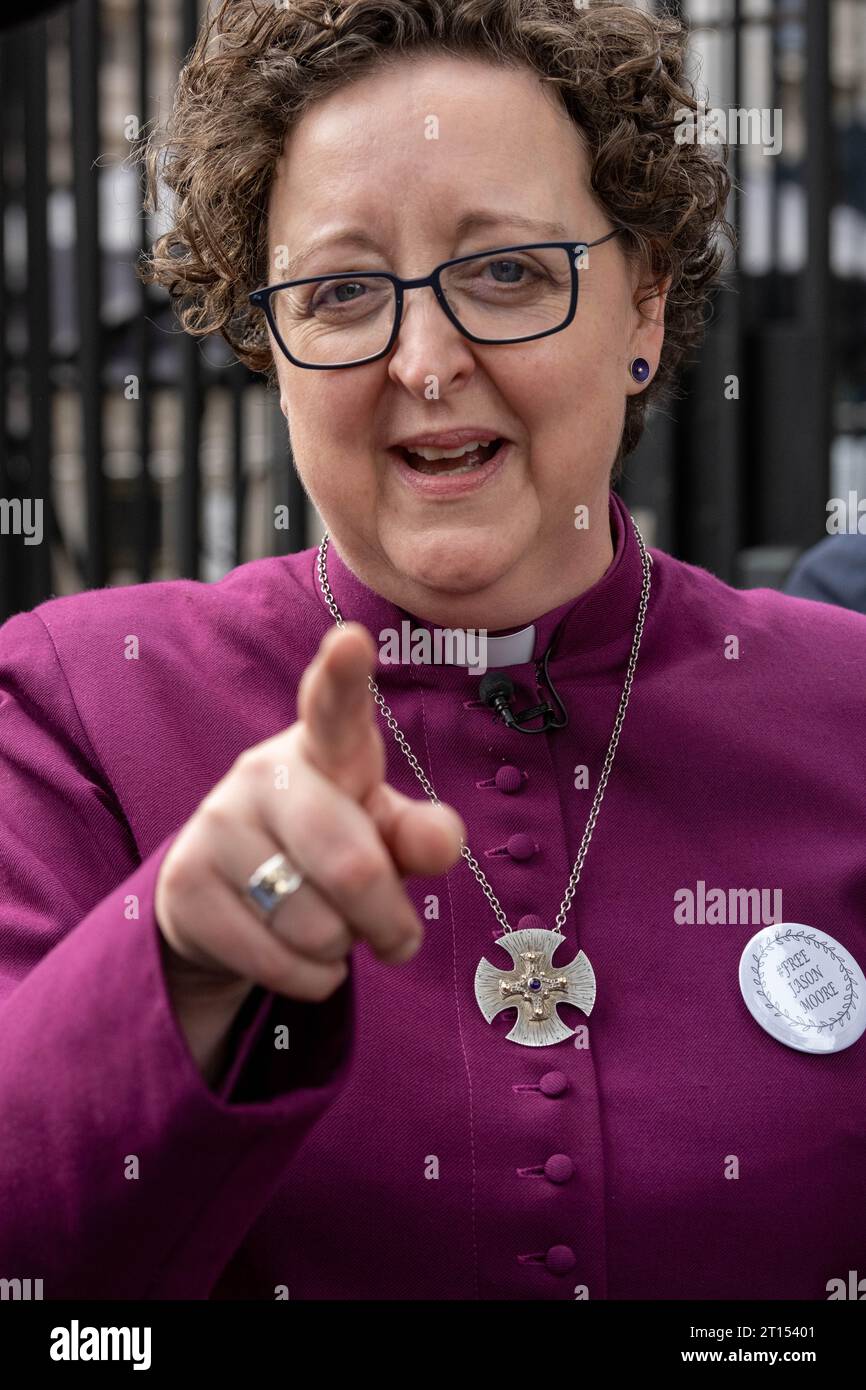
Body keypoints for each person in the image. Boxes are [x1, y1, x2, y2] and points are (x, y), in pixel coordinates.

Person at [1, 0, 864, 1303]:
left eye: (506, 272)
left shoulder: (843, 704)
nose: (424, 361)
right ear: (268, 347)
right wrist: (171, 960)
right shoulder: (75, 703)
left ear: (642, 305)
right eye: (340, 293)